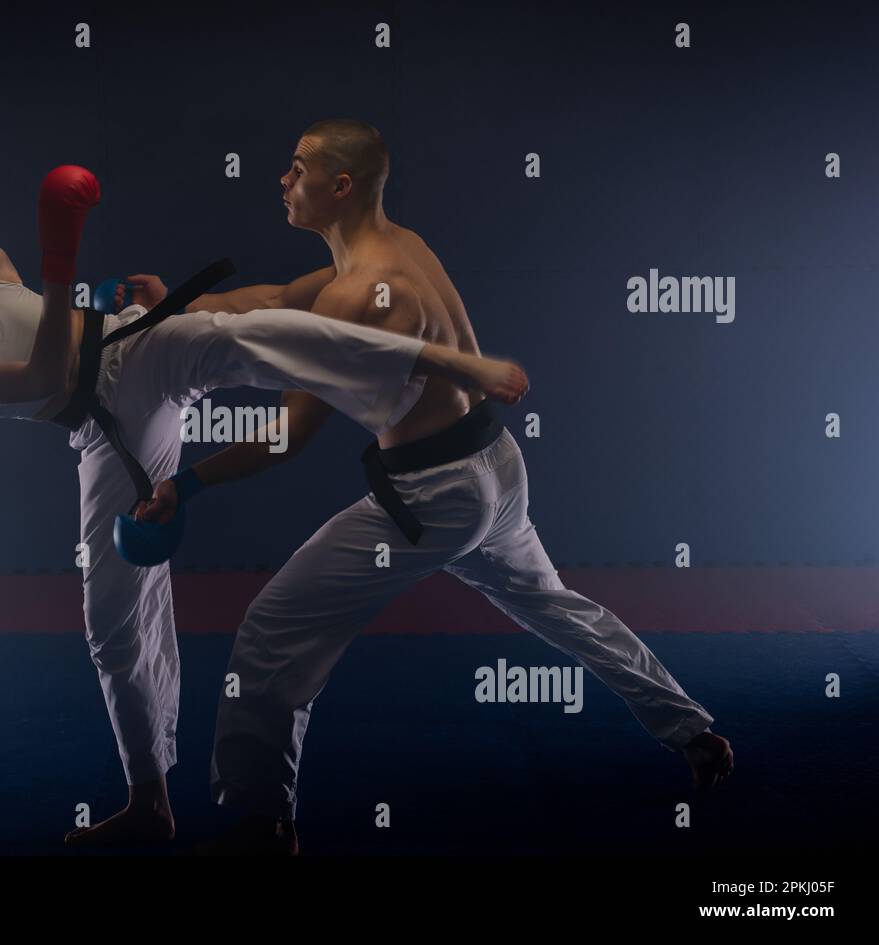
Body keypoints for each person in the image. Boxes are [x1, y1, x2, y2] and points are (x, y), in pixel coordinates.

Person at [0, 142, 530, 847]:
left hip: (138, 346)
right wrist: (60, 261)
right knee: (110, 620)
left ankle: (445, 362)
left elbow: (69, 335)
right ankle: (149, 800)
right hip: (102, 430)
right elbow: (42, 378)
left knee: (252, 334)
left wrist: (76, 285)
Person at [134, 119, 734, 855]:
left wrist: (185, 483)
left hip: (436, 498)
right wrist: (174, 307)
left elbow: (290, 432)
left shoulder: (363, 295)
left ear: (340, 185)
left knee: (272, 628)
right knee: (556, 605)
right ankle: (693, 730)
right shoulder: (393, 247)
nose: (282, 181)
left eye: (296, 170)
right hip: (496, 468)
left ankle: (264, 823)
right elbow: (280, 296)